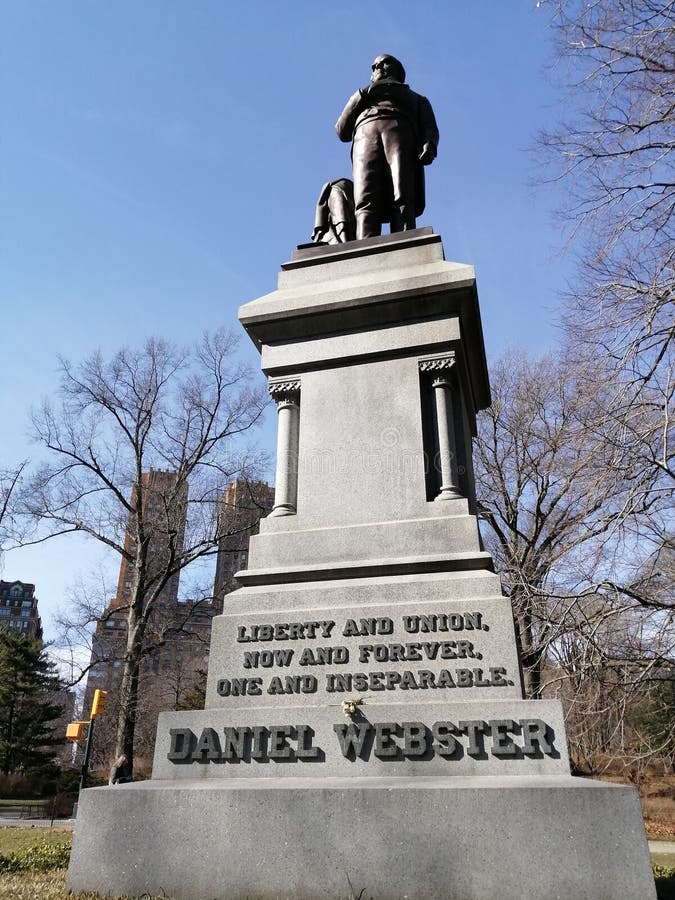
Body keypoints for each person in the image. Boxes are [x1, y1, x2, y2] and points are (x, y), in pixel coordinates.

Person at [335, 54, 439, 240]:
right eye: (374, 66)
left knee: (402, 192)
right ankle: (364, 244)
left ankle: (404, 239)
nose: (378, 68)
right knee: (365, 196)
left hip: (400, 135)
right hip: (364, 139)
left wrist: (429, 145)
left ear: (399, 71)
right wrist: (363, 94)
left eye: (385, 63)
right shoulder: (363, 97)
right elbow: (342, 130)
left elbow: (430, 127)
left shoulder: (416, 99)